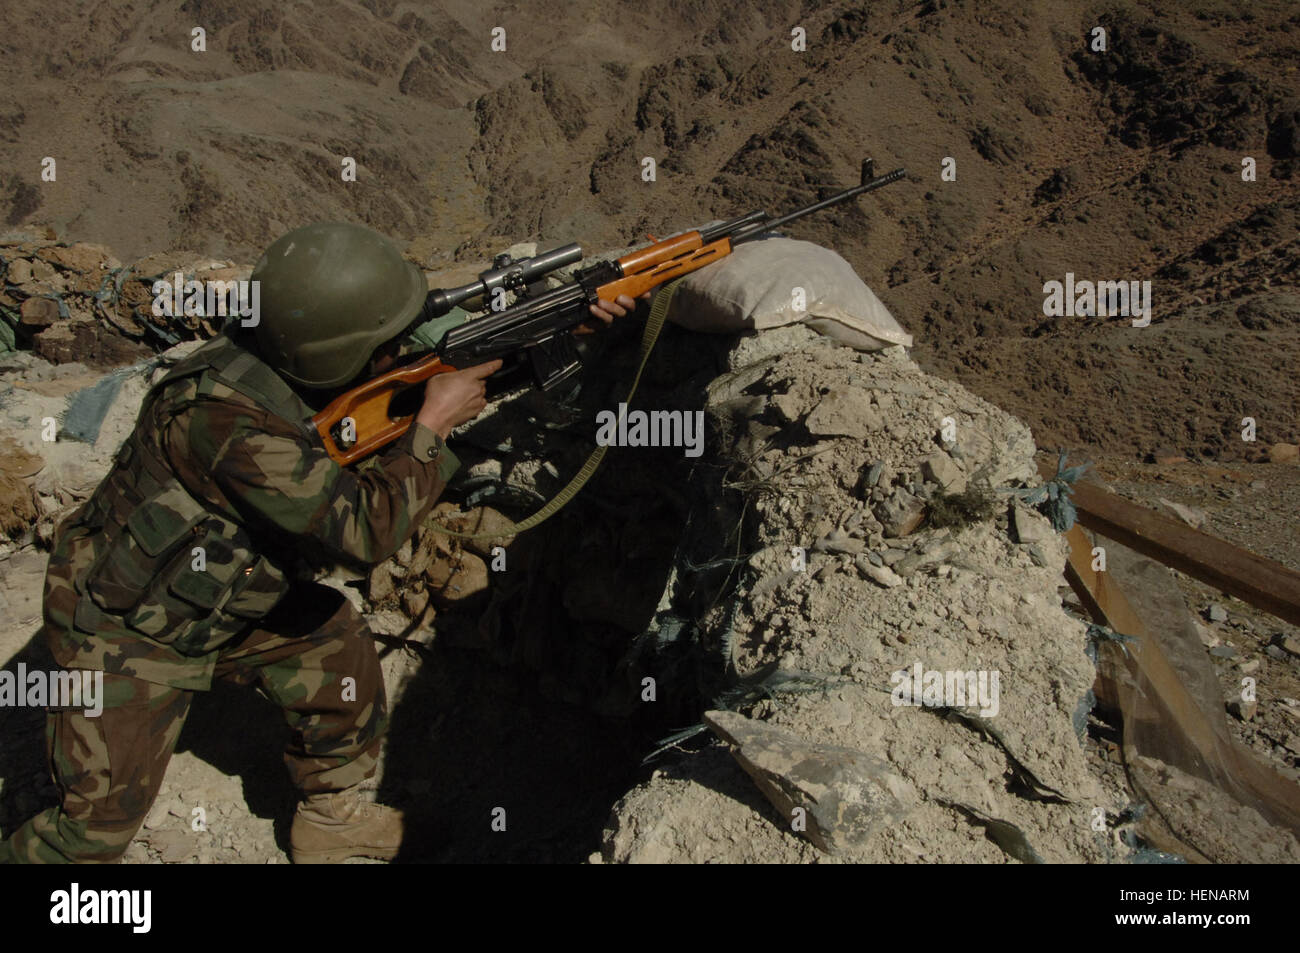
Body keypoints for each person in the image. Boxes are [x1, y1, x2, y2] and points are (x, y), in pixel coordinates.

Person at [0, 222, 642, 864]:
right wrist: (432, 428)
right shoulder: (225, 422)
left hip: (224, 593)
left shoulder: (289, 357)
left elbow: (433, 359)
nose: (397, 350)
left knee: (332, 641)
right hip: (125, 631)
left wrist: (563, 329)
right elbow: (365, 533)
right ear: (338, 351)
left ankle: (331, 822)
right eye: (384, 345)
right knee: (92, 836)